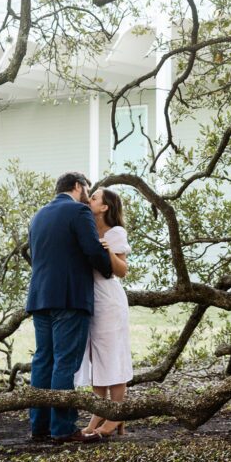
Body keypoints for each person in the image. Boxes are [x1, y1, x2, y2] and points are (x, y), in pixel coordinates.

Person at [26, 171, 113, 444]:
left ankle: (39, 427)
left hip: (40, 296)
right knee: (65, 361)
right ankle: (63, 428)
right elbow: (91, 250)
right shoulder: (78, 211)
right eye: (87, 188)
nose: (88, 194)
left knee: (43, 360)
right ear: (78, 186)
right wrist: (109, 269)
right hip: (70, 297)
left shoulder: (37, 216)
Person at [74, 186, 133, 441]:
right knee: (96, 357)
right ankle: (98, 413)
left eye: (95, 197)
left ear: (105, 207)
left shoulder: (116, 232)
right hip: (90, 299)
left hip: (108, 298)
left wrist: (107, 250)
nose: (90, 199)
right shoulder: (87, 228)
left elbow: (122, 271)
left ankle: (117, 413)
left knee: (112, 354)